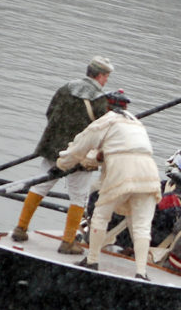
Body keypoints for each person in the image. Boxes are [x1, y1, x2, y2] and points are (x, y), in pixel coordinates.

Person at [12, 55, 113, 253]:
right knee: (78, 197)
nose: (107, 80)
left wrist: (58, 138)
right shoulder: (100, 99)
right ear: (100, 76)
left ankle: (21, 228)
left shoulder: (66, 88)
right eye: (107, 76)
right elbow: (101, 130)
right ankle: (67, 242)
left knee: (40, 187)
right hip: (79, 154)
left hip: (52, 148)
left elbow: (50, 112)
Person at [56, 90, 161, 280]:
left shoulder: (107, 120)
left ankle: (92, 260)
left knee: (101, 215)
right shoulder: (137, 123)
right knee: (142, 225)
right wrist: (94, 158)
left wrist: (62, 164)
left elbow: (81, 146)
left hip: (122, 171)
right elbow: (111, 151)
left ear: (107, 105)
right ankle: (141, 272)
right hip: (149, 172)